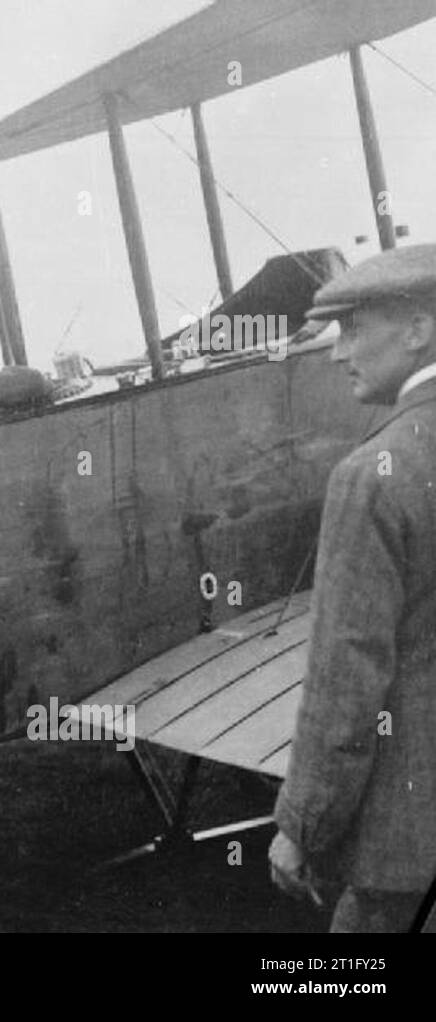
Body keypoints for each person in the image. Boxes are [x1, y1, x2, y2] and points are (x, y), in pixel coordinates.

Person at [269, 243, 436, 933]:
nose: (338, 353)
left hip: (410, 849)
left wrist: (302, 827)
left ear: (420, 330)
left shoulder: (369, 475)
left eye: (354, 329)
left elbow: (347, 679)